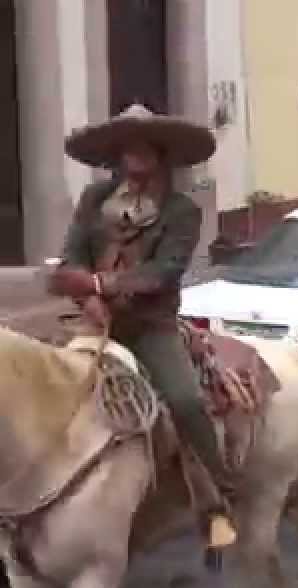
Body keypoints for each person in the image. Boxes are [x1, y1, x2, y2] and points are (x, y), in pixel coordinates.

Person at [45, 104, 236, 552]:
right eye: (128, 146)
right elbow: (71, 255)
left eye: (145, 147)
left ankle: (220, 499)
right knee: (49, 389)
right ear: (117, 153)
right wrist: (88, 298)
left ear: (161, 155)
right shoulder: (94, 200)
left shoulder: (182, 212)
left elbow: (163, 273)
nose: (136, 155)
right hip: (93, 323)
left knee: (187, 401)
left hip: (151, 327)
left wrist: (95, 282)